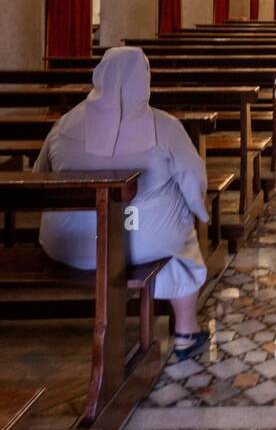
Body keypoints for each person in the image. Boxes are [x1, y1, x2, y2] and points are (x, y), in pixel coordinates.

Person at [34, 47, 211, 361]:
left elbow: (39, 177)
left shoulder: (64, 124)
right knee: (179, 234)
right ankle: (186, 332)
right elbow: (192, 176)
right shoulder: (164, 126)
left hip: (70, 243)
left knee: (160, 218)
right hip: (141, 240)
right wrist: (199, 212)